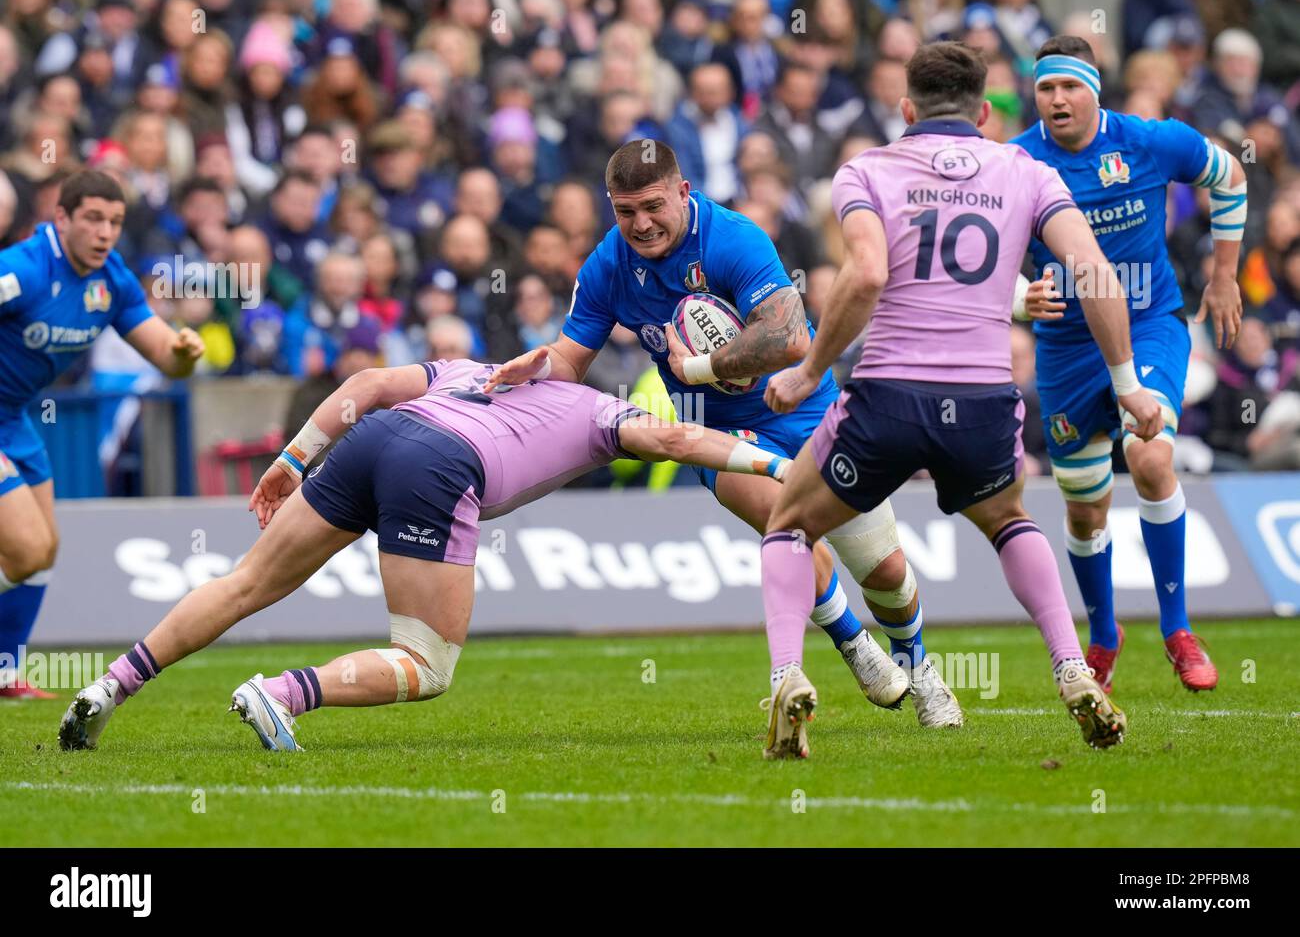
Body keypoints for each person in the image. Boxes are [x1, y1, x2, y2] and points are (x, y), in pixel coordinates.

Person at [758, 42, 1163, 758]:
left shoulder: (868, 170)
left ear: (906, 108)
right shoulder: (1025, 170)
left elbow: (866, 275)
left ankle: (789, 676)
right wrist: (1128, 386)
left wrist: (806, 370)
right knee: (1010, 521)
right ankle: (1071, 669)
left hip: (888, 397)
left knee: (790, 523)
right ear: (983, 111)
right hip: (980, 402)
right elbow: (1095, 273)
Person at [58, 359, 793, 751]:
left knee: (245, 582)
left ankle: (107, 689)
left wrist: (292, 457)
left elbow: (371, 386)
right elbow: (671, 440)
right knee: (426, 663)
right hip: (441, 467)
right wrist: (775, 467)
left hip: (375, 437)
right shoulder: (604, 411)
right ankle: (280, 694)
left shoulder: (473, 367)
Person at [487, 140, 964, 729]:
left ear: (683, 192)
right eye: (625, 211)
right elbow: (569, 360)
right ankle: (852, 644)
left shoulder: (732, 238)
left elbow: (791, 339)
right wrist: (528, 371)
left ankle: (920, 668)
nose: (640, 224)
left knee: (884, 570)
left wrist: (699, 369)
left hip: (807, 411)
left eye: (653, 207)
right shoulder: (608, 265)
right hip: (717, 430)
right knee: (783, 523)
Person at [1011, 35, 1246, 693]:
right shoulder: (1018, 162)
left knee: (1150, 456)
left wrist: (1224, 276)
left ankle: (1177, 628)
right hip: (1064, 348)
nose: (1056, 99)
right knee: (1085, 509)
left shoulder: (1149, 141)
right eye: (1046, 89)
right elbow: (979, 259)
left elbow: (1230, 175)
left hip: (1148, 326)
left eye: (1069, 87)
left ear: (1095, 90)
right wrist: (1017, 298)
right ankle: (1105, 635)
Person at [0, 170, 204, 698]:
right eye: (92, 218)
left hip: (14, 418)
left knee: (44, 550)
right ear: (61, 218)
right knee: (23, 550)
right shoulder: (23, 269)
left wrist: (182, 354)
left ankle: (3, 672)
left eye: (114, 221)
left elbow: (164, 354)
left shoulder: (111, 279)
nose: (105, 231)